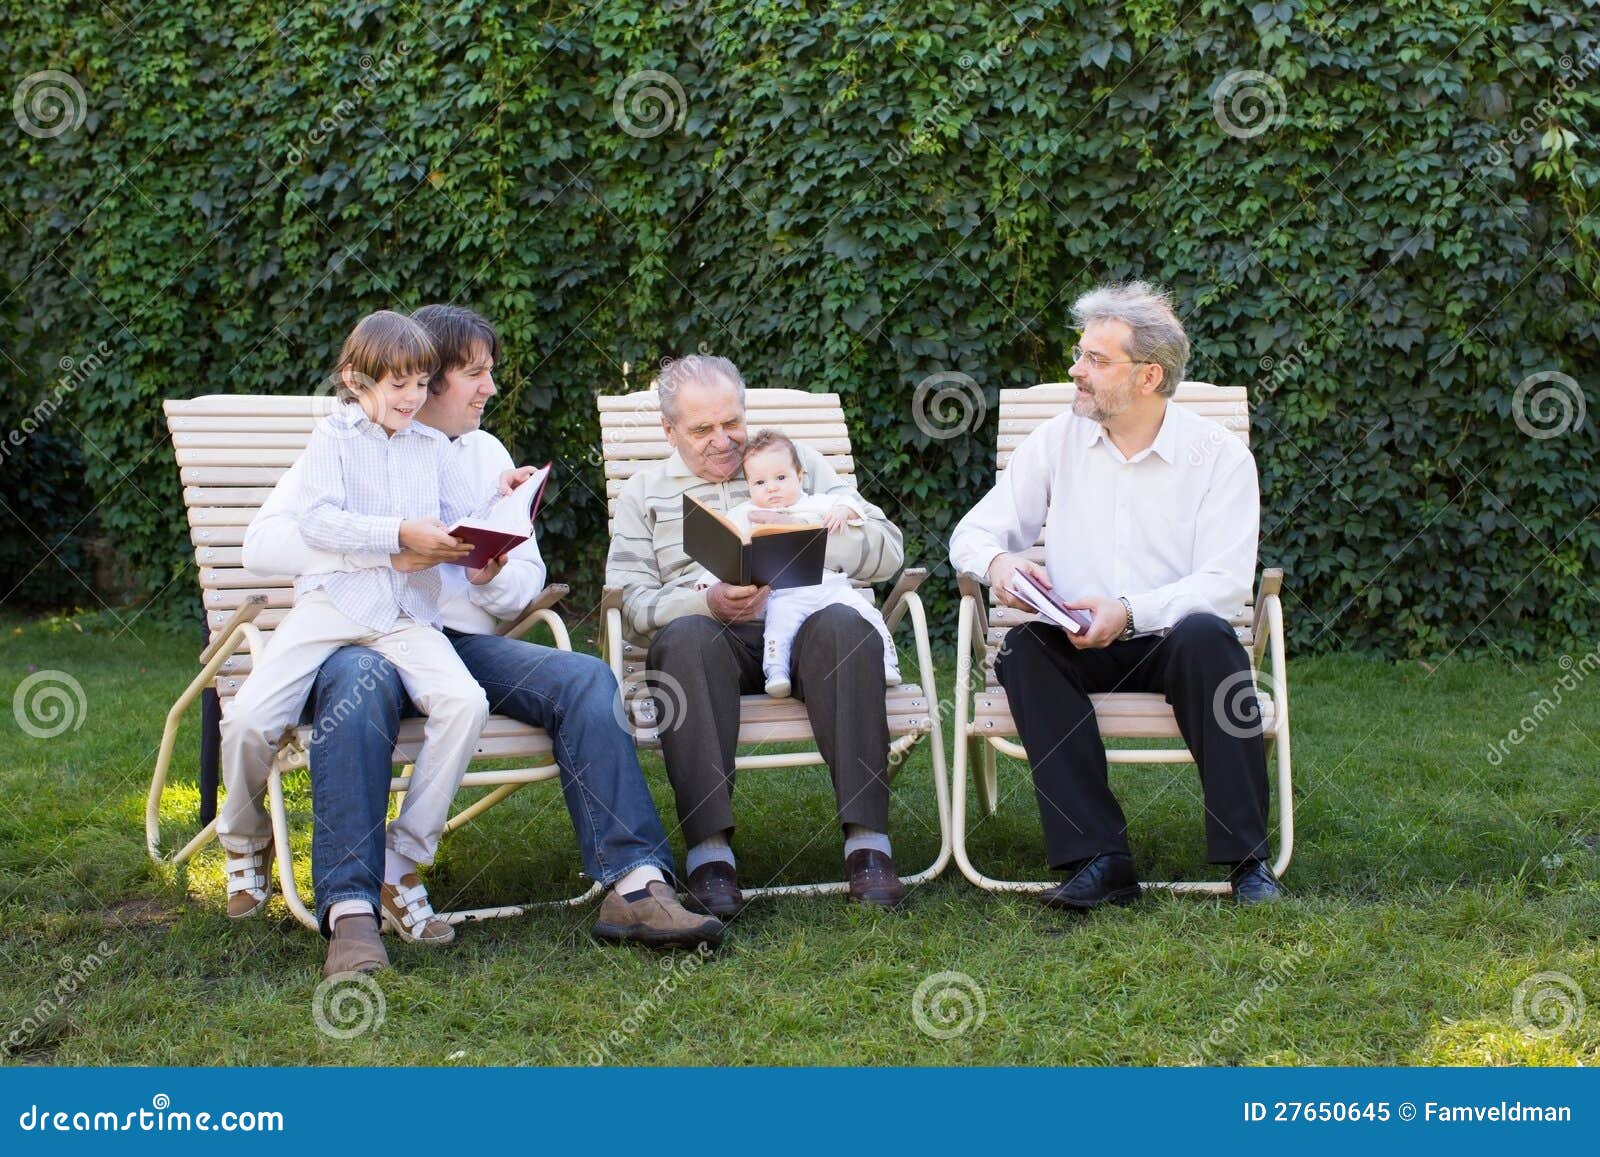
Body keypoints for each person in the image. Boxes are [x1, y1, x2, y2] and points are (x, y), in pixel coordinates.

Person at [243, 305, 720, 978]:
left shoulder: (485, 454)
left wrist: (486, 572)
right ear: (427, 379)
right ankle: (352, 912)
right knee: (357, 682)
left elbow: (527, 576)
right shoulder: (346, 444)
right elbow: (263, 544)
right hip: (362, 637)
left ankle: (635, 886)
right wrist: (390, 542)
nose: (489, 389)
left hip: (454, 645)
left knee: (584, 679)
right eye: (474, 374)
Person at [948, 281, 1282, 908]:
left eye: (1096, 361)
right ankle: (1099, 857)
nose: (1076, 371)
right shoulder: (1056, 440)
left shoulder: (1220, 458)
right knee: (1023, 652)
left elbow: (1225, 583)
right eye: (1080, 355)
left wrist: (1129, 612)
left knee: (1210, 636)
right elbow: (973, 532)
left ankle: (1247, 862)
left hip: (1175, 642)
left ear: (1149, 375)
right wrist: (999, 563)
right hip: (1077, 637)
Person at [220, 311, 502, 946]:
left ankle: (401, 861)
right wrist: (395, 538)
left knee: (465, 704)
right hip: (332, 607)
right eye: (395, 384)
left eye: (421, 383)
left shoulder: (434, 448)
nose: (410, 398)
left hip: (405, 613)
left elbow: (460, 520)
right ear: (355, 379)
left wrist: (498, 511)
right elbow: (316, 522)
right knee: (244, 722)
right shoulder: (332, 439)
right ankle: (245, 841)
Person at [606, 355, 908, 915]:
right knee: (684, 638)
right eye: (702, 430)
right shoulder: (643, 494)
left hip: (808, 628)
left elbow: (889, 552)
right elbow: (630, 603)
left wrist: (810, 538)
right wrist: (707, 600)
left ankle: (870, 847)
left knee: (844, 625)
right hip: (715, 639)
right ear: (668, 431)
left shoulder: (799, 466)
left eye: (732, 422)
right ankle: (711, 856)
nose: (724, 441)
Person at [695, 429, 900, 697]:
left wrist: (843, 511)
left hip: (829, 588)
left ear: (800, 477)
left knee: (868, 615)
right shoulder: (748, 513)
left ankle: (886, 664)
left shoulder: (816, 504)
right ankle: (776, 673)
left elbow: (853, 506)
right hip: (784, 592)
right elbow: (726, 545)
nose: (771, 488)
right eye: (759, 483)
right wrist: (706, 581)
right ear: (749, 487)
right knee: (778, 628)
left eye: (781, 478)